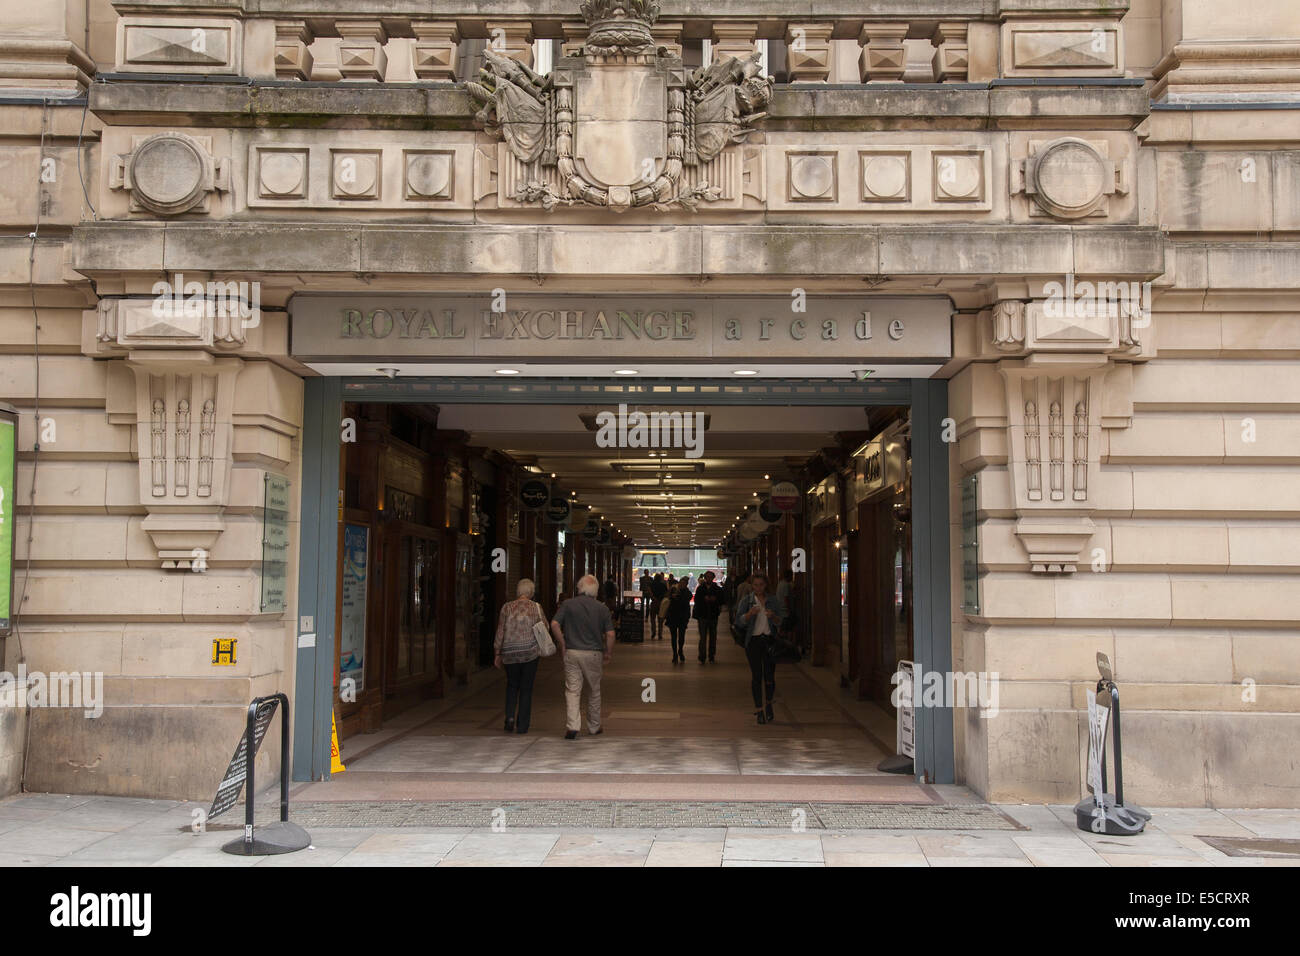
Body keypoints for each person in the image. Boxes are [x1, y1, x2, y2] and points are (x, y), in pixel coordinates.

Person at [551, 574, 615, 739]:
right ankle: (594, 726)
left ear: (579, 588)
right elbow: (610, 634)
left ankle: (573, 726)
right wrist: (608, 652)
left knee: (572, 690)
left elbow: (554, 624)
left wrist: (562, 642)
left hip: (572, 652)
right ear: (595, 591)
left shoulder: (568, 604)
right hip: (594, 653)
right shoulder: (602, 608)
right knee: (594, 690)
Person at [733, 572, 787, 725]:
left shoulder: (773, 601)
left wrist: (774, 617)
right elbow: (738, 621)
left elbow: (781, 621)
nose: (758, 588)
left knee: (769, 676)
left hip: (769, 641)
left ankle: (769, 703)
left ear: (766, 585)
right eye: (755, 585)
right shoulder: (747, 601)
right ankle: (759, 710)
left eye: (761, 585)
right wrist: (749, 615)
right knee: (757, 676)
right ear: (752, 586)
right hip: (754, 642)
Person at [493, 578, 545, 734]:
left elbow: (500, 630)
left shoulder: (507, 607)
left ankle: (509, 717)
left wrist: (497, 652)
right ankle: (522, 725)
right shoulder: (536, 607)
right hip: (530, 653)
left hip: (509, 653)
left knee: (511, 685)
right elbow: (545, 627)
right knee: (526, 688)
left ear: (518, 591)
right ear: (531, 592)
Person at [693, 570, 723, 663]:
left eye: (710, 577)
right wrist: (703, 599)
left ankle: (711, 655)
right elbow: (696, 601)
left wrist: (716, 600)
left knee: (713, 637)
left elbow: (722, 600)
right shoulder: (700, 589)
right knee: (702, 637)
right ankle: (702, 656)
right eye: (707, 577)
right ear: (705, 578)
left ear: (713, 578)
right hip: (703, 616)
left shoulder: (717, 589)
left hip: (713, 616)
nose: (709, 579)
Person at [666, 574, 693, 664]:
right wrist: (671, 595)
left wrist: (677, 597)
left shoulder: (687, 592)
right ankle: (675, 653)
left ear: (686, 584)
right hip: (673, 616)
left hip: (682, 617)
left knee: (681, 636)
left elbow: (685, 600)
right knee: (673, 637)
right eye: (681, 583)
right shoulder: (673, 590)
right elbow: (667, 598)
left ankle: (680, 650)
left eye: (684, 583)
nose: (682, 584)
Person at [649, 572, 668, 640]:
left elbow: (650, 593)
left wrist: (654, 598)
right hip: (661, 603)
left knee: (652, 619)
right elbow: (666, 594)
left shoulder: (651, 585)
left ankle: (653, 632)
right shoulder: (663, 585)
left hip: (654, 603)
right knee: (660, 620)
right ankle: (660, 634)